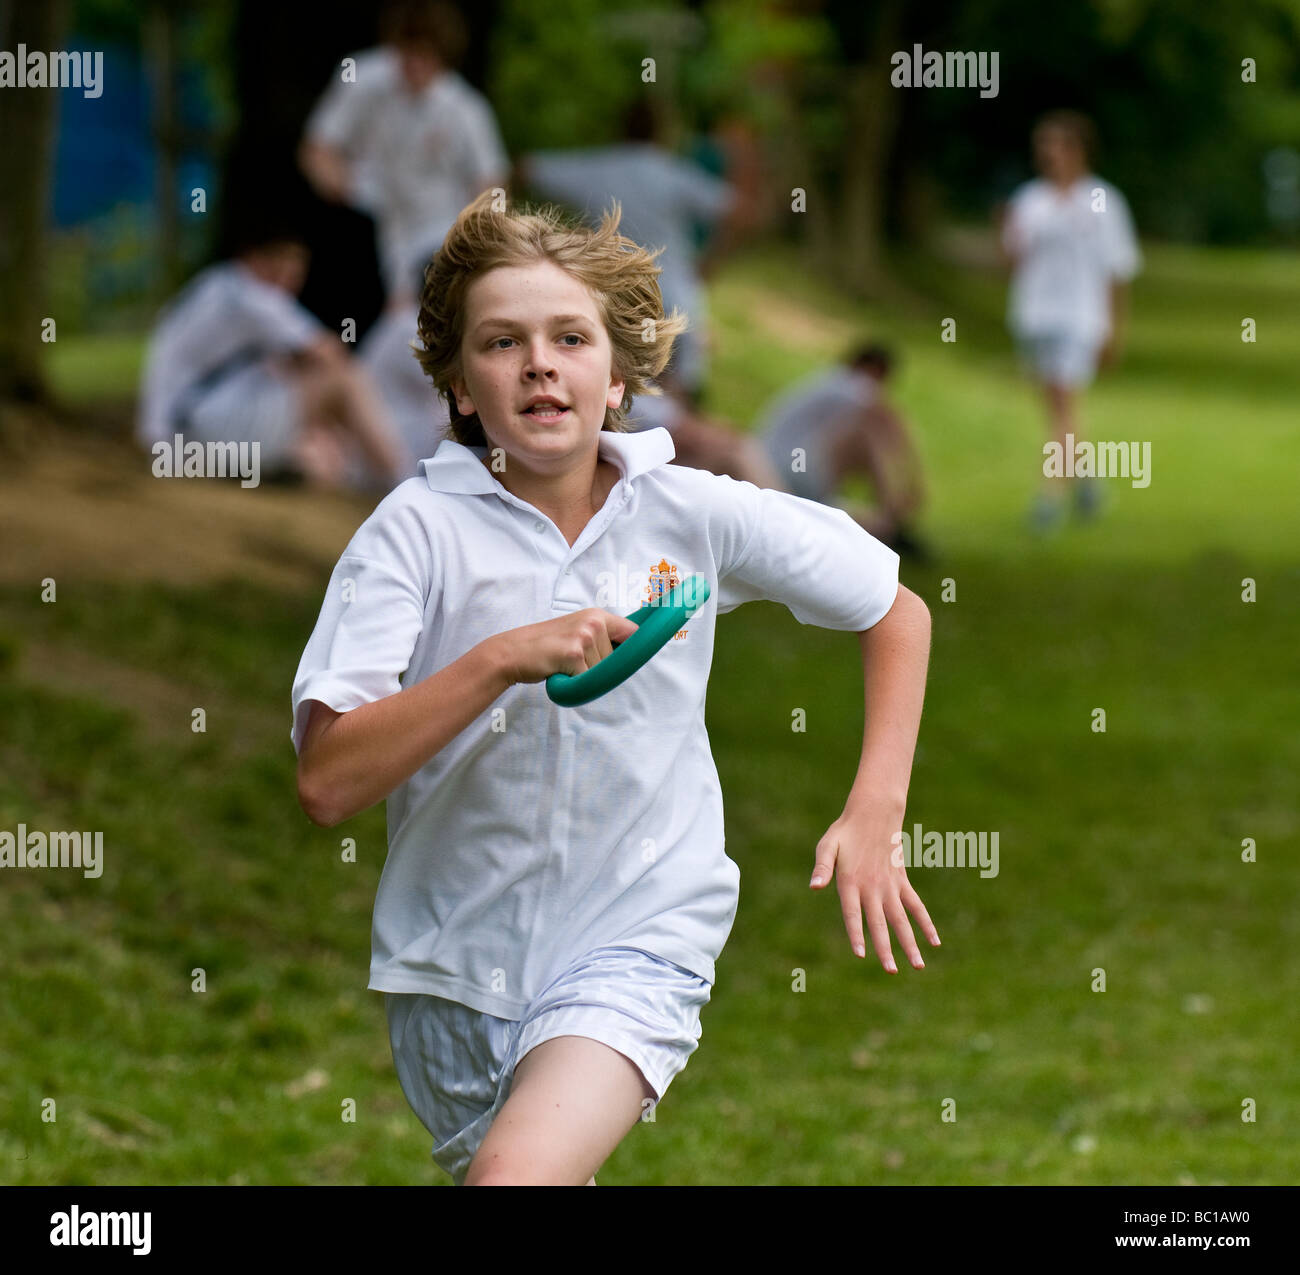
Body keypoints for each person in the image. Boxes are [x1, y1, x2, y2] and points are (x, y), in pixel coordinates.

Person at [290, 191, 938, 1186]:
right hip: (450, 968)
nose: (539, 362)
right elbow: (329, 781)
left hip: (638, 932)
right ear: (461, 386)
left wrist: (874, 810)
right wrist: (500, 658)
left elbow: (892, 610)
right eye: (501, 343)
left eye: (569, 338)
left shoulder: (693, 513)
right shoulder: (411, 535)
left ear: (620, 376)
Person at [136, 224, 407, 491]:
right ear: (256, 258)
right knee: (345, 379)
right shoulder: (251, 295)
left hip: (172, 443)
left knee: (321, 459)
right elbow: (330, 354)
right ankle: (402, 481)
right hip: (197, 430)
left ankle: (311, 469)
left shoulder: (216, 285)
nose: (292, 278)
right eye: (286, 264)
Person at [519, 96, 742, 400]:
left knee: (619, 398)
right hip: (675, 299)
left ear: (621, 128)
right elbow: (737, 210)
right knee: (675, 403)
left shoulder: (599, 169)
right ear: (661, 132)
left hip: (616, 301)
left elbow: (527, 168)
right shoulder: (672, 173)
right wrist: (710, 262)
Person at [299, 0, 509, 308]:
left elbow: (491, 183)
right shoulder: (361, 77)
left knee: (423, 307)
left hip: (437, 226)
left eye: (427, 57)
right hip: (372, 213)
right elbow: (317, 147)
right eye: (408, 55)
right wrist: (336, 184)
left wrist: (477, 238)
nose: (415, 67)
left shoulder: (466, 108)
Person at [998, 109, 1141, 530]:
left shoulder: (1103, 200)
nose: (1045, 154)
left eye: (1053, 145)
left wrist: (1115, 326)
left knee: (1064, 403)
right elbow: (1013, 259)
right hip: (1034, 315)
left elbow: (1118, 269)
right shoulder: (1030, 200)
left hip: (1081, 316)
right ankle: (1087, 481)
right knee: (1054, 407)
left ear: (1077, 149)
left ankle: (1049, 497)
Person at [755, 344, 929, 557]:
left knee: (864, 522)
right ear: (874, 369)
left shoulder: (828, 383)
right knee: (865, 434)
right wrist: (915, 480)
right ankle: (893, 517)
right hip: (783, 472)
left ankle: (889, 527)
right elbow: (888, 418)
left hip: (780, 472)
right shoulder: (847, 381)